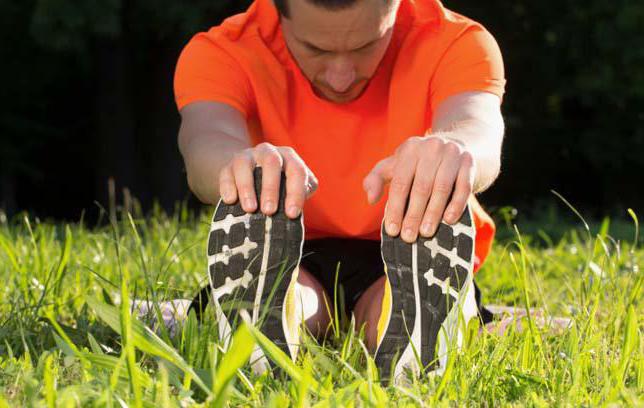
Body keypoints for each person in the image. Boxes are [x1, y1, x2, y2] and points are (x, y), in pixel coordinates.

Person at [174, 0, 505, 380]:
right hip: (283, 242)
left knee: (374, 297)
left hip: (412, 238)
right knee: (292, 288)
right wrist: (238, 166)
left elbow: (478, 128)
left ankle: (404, 322)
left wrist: (455, 150)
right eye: (316, 50)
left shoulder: (456, 42)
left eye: (367, 47)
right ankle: (273, 316)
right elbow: (204, 142)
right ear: (277, 12)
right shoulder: (224, 51)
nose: (341, 77)